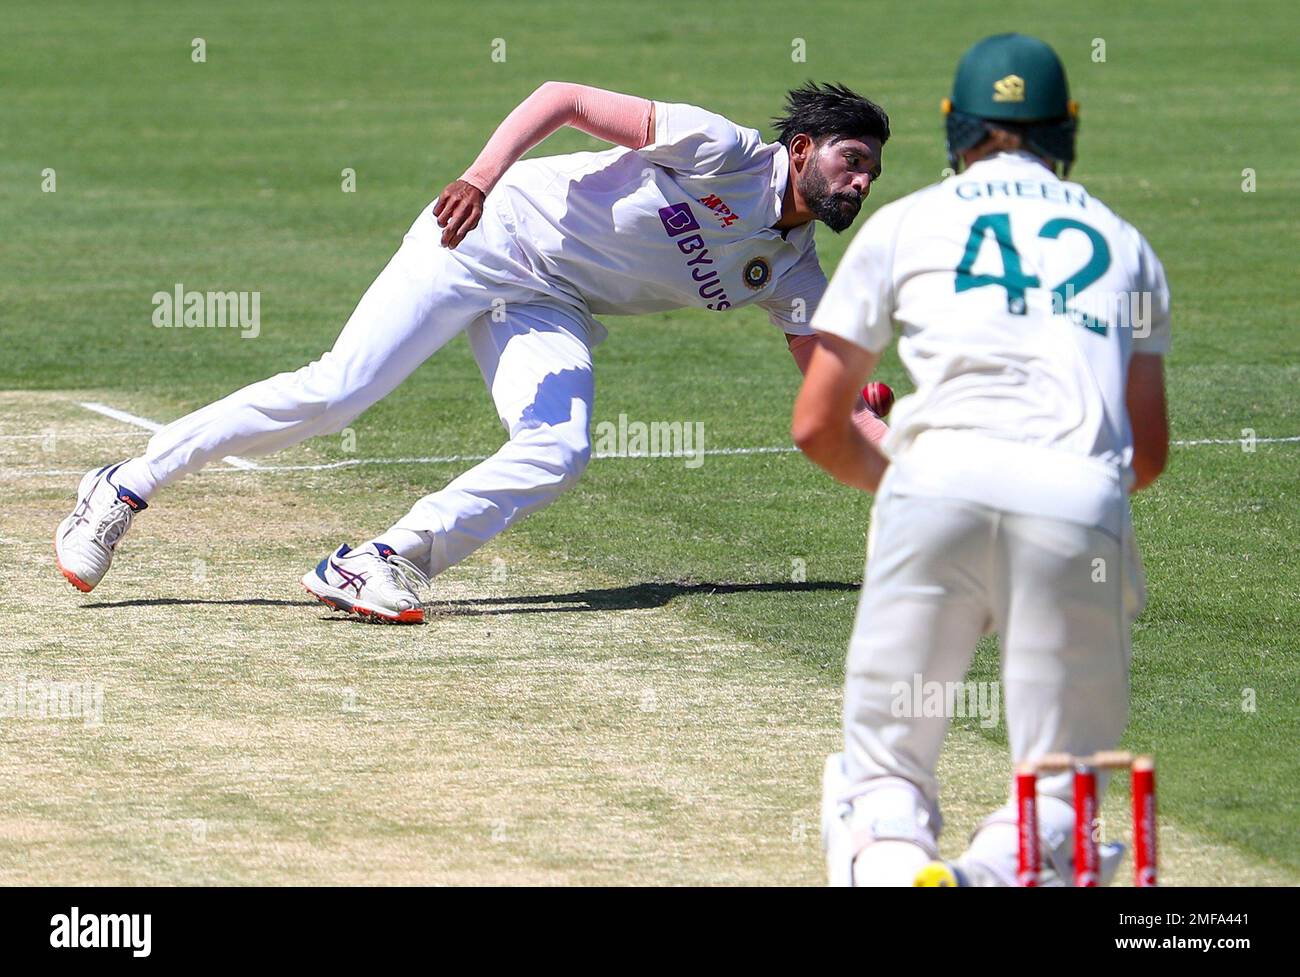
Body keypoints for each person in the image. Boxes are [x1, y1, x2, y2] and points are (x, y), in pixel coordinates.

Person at [56, 81, 892, 623]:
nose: (858, 182)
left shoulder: (793, 274)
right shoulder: (721, 148)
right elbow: (561, 96)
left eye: (871, 175)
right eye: (851, 160)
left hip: (547, 302)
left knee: (559, 448)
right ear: (802, 149)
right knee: (336, 392)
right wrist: (481, 176)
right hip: (482, 234)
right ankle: (121, 487)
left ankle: (381, 559)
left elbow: (836, 402)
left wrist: (895, 445)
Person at [791, 34, 1170, 885]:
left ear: (954, 128)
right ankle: (990, 874)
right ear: (1065, 127)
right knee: (1061, 793)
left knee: (880, 777)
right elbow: (1145, 454)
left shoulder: (905, 222)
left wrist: (922, 502)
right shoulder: (1124, 241)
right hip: (1078, 504)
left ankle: (897, 864)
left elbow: (818, 424)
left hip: (933, 489)